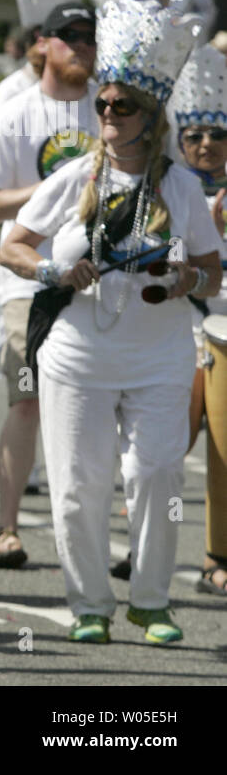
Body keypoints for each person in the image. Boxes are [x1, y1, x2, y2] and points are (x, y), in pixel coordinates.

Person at [0, 0, 215, 644]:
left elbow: (212, 270)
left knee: (155, 474)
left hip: (159, 356)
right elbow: (14, 246)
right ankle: (89, 601)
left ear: (151, 117)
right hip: (75, 356)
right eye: (104, 105)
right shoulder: (71, 178)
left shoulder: (179, 188)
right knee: (77, 483)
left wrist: (185, 280)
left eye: (123, 107)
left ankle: (151, 601)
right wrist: (53, 274)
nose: (110, 116)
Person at [0, 1, 99, 569]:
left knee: (101, 406)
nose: (82, 46)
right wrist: (60, 187)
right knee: (26, 403)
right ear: (44, 43)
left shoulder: (112, 107)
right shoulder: (15, 109)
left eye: (91, 37)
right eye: (70, 36)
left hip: (97, 281)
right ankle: (7, 529)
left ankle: (100, 538)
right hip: (26, 282)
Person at [166, 43, 227, 596]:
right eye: (195, 136)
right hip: (179, 328)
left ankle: (217, 555)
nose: (206, 146)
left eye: (217, 135)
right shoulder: (167, 191)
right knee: (169, 439)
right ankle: (144, 543)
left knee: (226, 446)